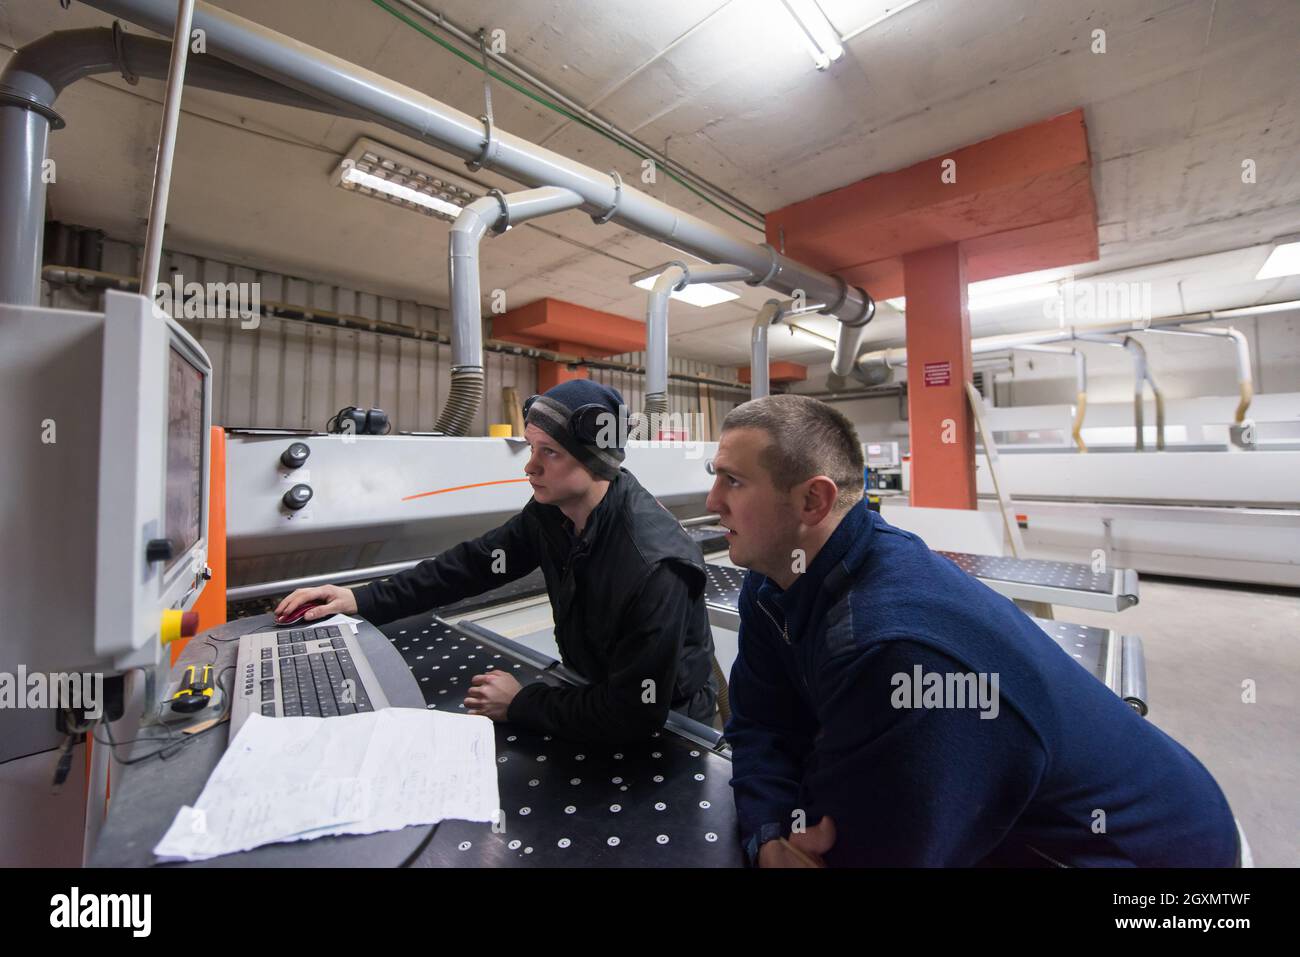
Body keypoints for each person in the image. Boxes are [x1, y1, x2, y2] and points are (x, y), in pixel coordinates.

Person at [707, 393, 1239, 867]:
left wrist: (788, 833)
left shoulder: (898, 649)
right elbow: (759, 725)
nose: (712, 502)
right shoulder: (775, 583)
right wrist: (771, 831)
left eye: (733, 480)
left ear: (812, 501)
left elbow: (857, 847)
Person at [276, 380, 716, 742]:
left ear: (593, 460)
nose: (530, 467)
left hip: (673, 727)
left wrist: (521, 703)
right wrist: (361, 598)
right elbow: (475, 564)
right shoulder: (553, 514)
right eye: (531, 447)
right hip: (590, 692)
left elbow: (634, 713)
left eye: (550, 452)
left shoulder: (652, 564)